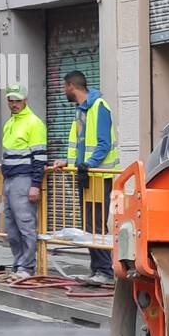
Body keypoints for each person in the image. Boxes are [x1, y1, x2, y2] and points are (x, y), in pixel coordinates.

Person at [52, 71, 119, 287]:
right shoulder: (82, 111)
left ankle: (104, 271)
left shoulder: (99, 107)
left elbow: (103, 144)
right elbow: (80, 145)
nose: (64, 91)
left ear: (72, 86)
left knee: (95, 225)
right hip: (86, 176)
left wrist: (87, 165)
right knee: (90, 226)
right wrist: (68, 162)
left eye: (65, 87)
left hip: (98, 176)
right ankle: (98, 270)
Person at [0, 83, 47, 282]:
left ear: (25, 100)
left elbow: (40, 157)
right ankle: (18, 264)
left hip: (24, 179)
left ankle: (27, 267)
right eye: (10, 100)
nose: (14, 104)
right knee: (11, 227)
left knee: (25, 225)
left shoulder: (33, 123)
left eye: (17, 100)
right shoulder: (10, 123)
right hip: (10, 180)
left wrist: (35, 184)